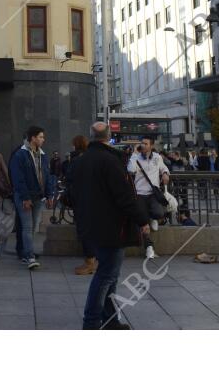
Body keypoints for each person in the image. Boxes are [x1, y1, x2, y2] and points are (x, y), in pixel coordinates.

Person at [71, 121, 149, 330]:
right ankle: (92, 322)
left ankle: (110, 319)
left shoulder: (80, 161)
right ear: (108, 136)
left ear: (91, 136)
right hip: (112, 227)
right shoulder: (111, 161)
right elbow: (124, 197)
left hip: (89, 226)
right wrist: (142, 220)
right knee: (105, 276)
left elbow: (69, 196)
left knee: (110, 276)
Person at [10, 125, 54, 269]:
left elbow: (48, 176)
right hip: (25, 197)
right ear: (33, 138)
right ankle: (29, 256)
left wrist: (49, 195)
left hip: (38, 196)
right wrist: (25, 197)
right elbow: (18, 179)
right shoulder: (20, 155)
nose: (43, 139)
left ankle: (27, 252)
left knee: (33, 227)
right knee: (28, 227)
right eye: (41, 137)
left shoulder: (42, 155)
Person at [127, 136, 169, 260]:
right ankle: (149, 247)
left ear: (151, 145)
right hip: (139, 193)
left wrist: (165, 173)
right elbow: (130, 169)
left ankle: (152, 217)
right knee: (142, 222)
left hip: (153, 193)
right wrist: (134, 154)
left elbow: (163, 167)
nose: (143, 145)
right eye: (141, 143)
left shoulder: (157, 157)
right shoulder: (136, 157)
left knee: (159, 212)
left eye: (145, 143)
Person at [64, 134, 94, 275]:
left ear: (76, 145)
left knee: (84, 231)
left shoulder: (76, 160)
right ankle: (94, 260)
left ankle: (89, 263)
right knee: (91, 230)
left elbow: (70, 178)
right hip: (92, 200)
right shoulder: (91, 158)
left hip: (81, 200)